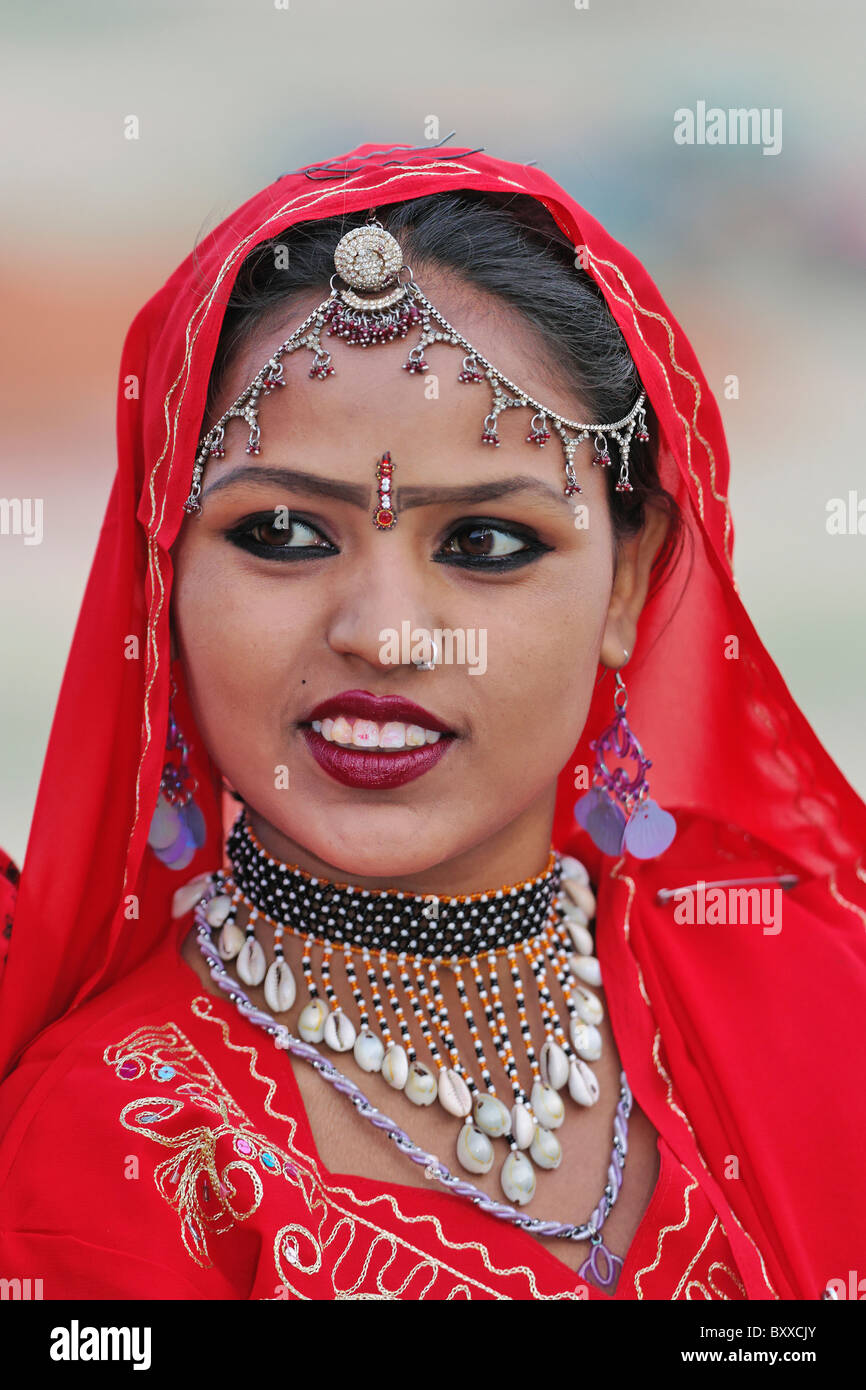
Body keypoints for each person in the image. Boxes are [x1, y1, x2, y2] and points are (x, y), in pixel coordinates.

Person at [0, 141, 863, 1302]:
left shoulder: (818, 1003)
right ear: (161, 576)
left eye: (487, 544)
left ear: (625, 582)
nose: (387, 635)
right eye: (284, 535)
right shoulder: (110, 1142)